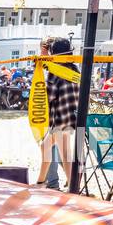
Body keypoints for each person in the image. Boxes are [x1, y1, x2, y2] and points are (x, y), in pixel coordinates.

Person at [34, 36, 79, 189]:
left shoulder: (55, 72)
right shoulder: (74, 68)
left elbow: (49, 95)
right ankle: (41, 182)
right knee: (47, 147)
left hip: (59, 116)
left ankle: (73, 186)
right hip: (70, 113)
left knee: (64, 153)